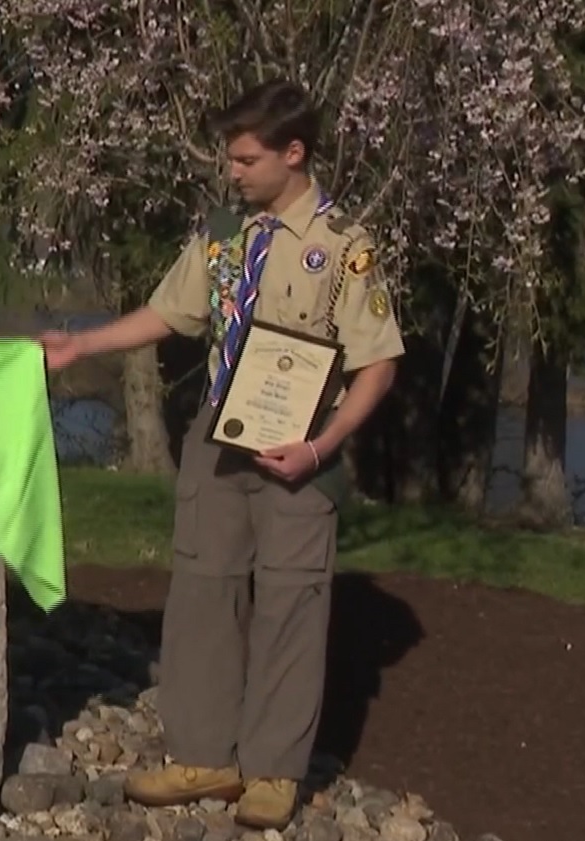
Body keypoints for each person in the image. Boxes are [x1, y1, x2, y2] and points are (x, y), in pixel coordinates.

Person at [37, 79, 403, 830]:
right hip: (218, 437)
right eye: (229, 158)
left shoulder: (344, 249)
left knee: (289, 605)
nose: (231, 171)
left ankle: (272, 769)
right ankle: (201, 753)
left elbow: (378, 366)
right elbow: (171, 312)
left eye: (245, 158)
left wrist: (322, 446)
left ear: (292, 154)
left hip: (302, 448)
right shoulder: (225, 232)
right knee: (203, 592)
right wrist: (82, 344)